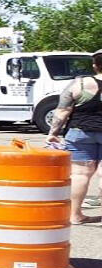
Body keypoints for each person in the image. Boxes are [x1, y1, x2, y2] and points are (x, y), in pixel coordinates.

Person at [47, 49, 102, 224]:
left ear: (95, 65)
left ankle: (75, 215)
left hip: (79, 133)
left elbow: (62, 111)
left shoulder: (80, 84)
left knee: (80, 174)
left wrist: (53, 133)